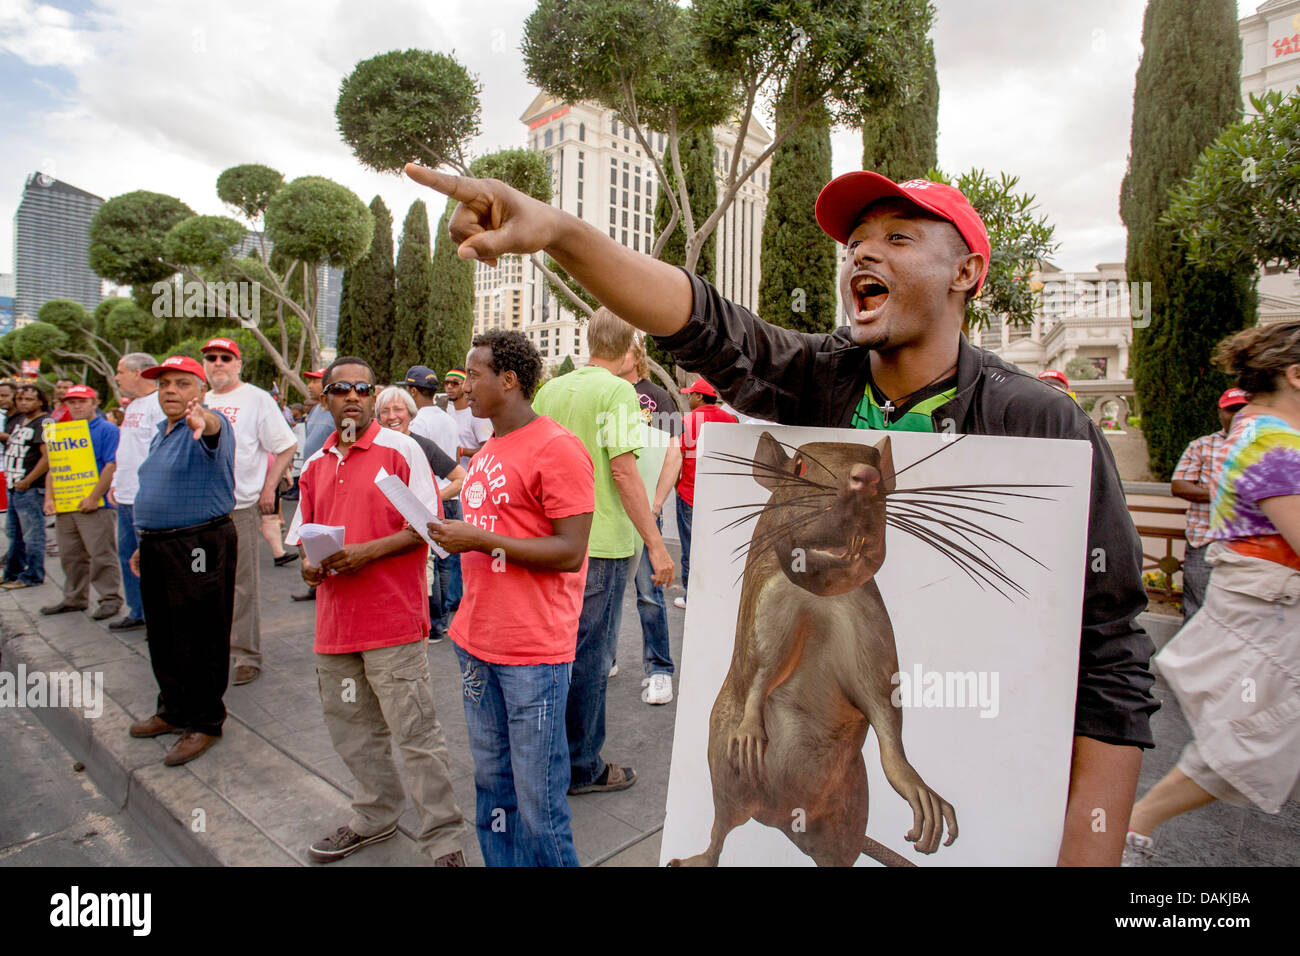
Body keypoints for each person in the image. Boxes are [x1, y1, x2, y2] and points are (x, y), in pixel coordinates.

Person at [407, 163, 1159, 865]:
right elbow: (703, 321)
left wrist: (1090, 846)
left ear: (966, 273)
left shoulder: (1037, 424)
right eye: (856, 244)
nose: (863, 256)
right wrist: (562, 234)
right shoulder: (817, 382)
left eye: (898, 239)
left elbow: (1109, 658)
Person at [1125, 321, 1300, 865]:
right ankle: (1130, 828)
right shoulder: (1273, 443)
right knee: (1248, 745)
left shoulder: (1256, 432)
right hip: (1267, 610)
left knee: (1251, 741)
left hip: (1261, 605)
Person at [286, 356, 467, 866]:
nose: (351, 396)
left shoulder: (401, 450)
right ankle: (374, 815)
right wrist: (308, 566)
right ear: (325, 400)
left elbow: (430, 529)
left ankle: (443, 839)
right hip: (334, 625)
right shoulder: (317, 462)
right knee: (354, 731)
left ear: (371, 396)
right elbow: (304, 533)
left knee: (416, 733)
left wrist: (367, 552)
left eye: (361, 389)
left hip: (392, 620)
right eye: (339, 389)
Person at [428, 330, 593, 866]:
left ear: (509, 379)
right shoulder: (491, 447)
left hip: (533, 654)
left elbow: (570, 551)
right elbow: (492, 527)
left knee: (538, 803)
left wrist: (477, 539)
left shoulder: (558, 448)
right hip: (476, 642)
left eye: (474, 374)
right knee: (492, 789)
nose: (464, 385)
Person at [532, 307, 674, 794]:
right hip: (604, 543)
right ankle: (582, 765)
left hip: (554, 541)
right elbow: (624, 472)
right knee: (591, 659)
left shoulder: (550, 390)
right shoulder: (618, 392)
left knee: (556, 652)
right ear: (633, 347)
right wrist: (656, 545)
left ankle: (548, 752)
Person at [127, 355, 237, 767]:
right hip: (158, 544)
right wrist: (146, 539)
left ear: (201, 390)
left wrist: (201, 419)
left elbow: (209, 428)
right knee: (162, 631)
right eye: (164, 384)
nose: (170, 390)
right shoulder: (161, 432)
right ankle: (173, 710)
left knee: (200, 631)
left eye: (182, 384)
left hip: (197, 544)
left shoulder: (211, 425)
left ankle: (205, 722)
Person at [200, 337, 298, 686]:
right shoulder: (199, 401)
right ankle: (211, 648)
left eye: (226, 357)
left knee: (240, 585)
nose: (218, 363)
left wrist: (269, 487)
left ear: (238, 364)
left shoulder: (256, 399)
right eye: (211, 358)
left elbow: (286, 445)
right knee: (203, 582)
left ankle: (246, 654)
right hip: (198, 515)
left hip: (238, 509)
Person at [375, 385, 467, 643]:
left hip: (414, 529)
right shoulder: (373, 447)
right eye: (385, 411)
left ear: (411, 414)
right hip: (382, 530)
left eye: (398, 409)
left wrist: (428, 502)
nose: (392, 416)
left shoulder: (421, 445)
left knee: (429, 575)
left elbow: (461, 477)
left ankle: (433, 626)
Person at [617, 335, 681, 704]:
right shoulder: (604, 391)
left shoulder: (655, 396)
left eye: (622, 349)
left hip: (643, 513)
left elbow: (673, 452)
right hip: (607, 514)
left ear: (636, 356)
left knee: (649, 594)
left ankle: (659, 670)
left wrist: (655, 505)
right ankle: (603, 660)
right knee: (603, 593)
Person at [39, 385, 122, 620]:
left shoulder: (107, 429)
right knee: (70, 554)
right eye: (71, 402)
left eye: (82, 401)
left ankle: (110, 598)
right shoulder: (59, 430)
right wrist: (49, 498)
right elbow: (54, 468)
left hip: (96, 505)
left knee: (101, 554)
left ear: (94, 403)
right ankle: (74, 597)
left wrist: (95, 497)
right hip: (67, 503)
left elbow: (110, 465)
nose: (76, 406)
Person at [1169, 387, 1250, 621]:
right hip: (1204, 540)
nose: (1236, 415)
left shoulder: (1263, 446)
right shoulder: (1201, 445)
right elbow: (1180, 485)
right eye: (1231, 409)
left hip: (1246, 544)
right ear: (1220, 413)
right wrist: (1227, 493)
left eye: (1242, 408)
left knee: (1241, 618)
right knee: (1197, 614)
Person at [403, 365, 463, 636]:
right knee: (446, 560)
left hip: (433, 498)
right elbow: (458, 452)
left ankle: (436, 622)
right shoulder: (448, 418)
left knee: (432, 564)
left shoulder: (416, 424)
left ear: (412, 391)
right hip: (453, 492)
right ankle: (445, 615)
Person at [109, 352, 167, 631]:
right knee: (127, 553)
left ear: (139, 373)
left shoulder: (159, 404)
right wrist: (116, 482)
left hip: (147, 498)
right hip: (125, 495)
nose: (117, 377)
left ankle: (157, 613)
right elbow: (128, 450)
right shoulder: (133, 407)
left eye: (121, 371)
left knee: (150, 560)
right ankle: (137, 610)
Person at [673, 378, 737, 611]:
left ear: (699, 397)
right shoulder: (731, 421)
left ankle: (692, 599)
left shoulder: (687, 421)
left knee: (690, 550)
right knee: (717, 548)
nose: (688, 398)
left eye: (690, 394)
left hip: (690, 495)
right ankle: (717, 596)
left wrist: (676, 486)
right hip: (720, 499)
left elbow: (676, 459)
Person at [441, 365, 492, 615]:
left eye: (454, 383)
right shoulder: (446, 413)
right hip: (449, 487)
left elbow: (488, 448)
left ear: (464, 385)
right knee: (448, 547)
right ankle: (452, 599)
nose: (449, 386)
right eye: (446, 383)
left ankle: (460, 600)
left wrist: (461, 452)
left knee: (464, 549)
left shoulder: (476, 415)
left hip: (472, 489)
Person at [2, 384, 53, 589]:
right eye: (20, 399)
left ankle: (33, 575)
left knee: (33, 535)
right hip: (15, 486)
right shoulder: (22, 420)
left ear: (41, 401)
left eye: (29, 399)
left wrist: (29, 480)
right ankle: (12, 573)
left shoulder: (46, 422)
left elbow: (48, 456)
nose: (23, 403)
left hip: (30, 488)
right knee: (14, 533)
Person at [291, 369, 333, 601]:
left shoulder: (338, 415)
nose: (310, 384)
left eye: (315, 380)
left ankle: (322, 581)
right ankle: (313, 581)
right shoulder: (315, 410)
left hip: (325, 481)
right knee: (305, 531)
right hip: (308, 478)